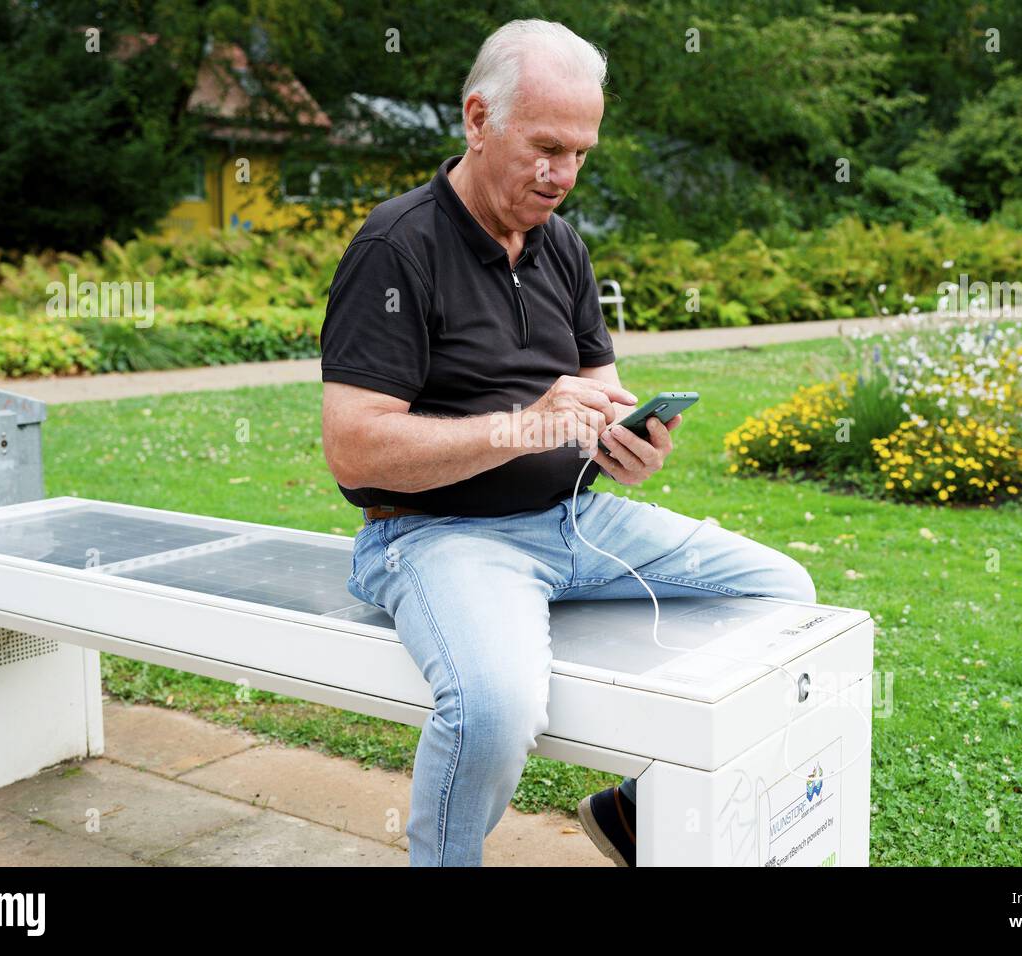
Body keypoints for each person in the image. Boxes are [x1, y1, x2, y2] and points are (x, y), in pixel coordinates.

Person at [319, 19, 815, 867]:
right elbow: (355, 452)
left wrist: (627, 447)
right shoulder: (395, 247)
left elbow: (599, 394)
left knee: (785, 597)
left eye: (582, 152)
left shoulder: (562, 246)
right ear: (477, 119)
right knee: (493, 708)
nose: (565, 175)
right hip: (435, 535)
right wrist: (523, 426)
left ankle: (629, 815)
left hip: (573, 523)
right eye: (546, 147)